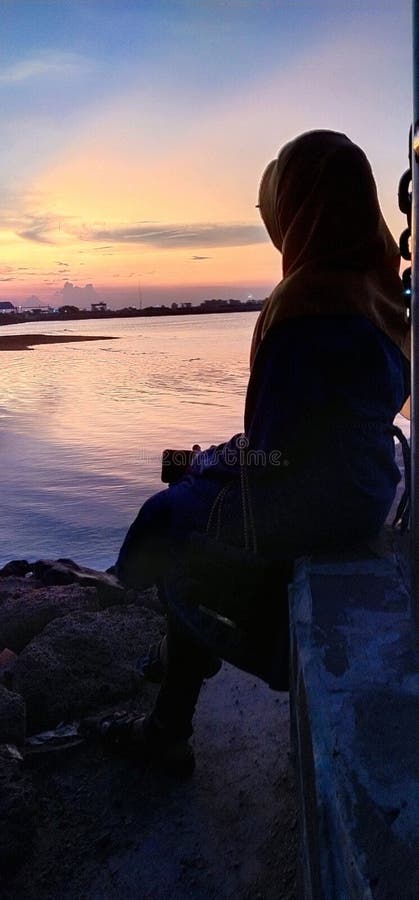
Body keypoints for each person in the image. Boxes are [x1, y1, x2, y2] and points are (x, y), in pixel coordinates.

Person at [102, 130, 410, 776]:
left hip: (304, 504)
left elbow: (272, 454)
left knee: (171, 518)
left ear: (298, 207)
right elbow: (319, 429)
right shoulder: (385, 297)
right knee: (196, 480)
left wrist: (211, 464)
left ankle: (168, 723)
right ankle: (176, 649)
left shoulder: (300, 303)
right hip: (366, 492)